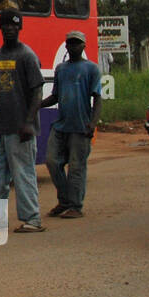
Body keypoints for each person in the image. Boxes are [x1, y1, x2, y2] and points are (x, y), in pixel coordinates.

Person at [0, 9, 45, 232]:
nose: (9, 29)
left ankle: (33, 219)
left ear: (20, 28)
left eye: (14, 25)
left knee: (23, 173)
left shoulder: (27, 56)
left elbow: (38, 92)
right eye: (5, 25)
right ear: (0, 28)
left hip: (20, 128)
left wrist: (29, 122)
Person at [40, 31, 101, 218]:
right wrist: (38, 104)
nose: (72, 47)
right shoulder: (61, 69)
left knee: (76, 166)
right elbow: (55, 96)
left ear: (83, 46)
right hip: (61, 125)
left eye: (76, 43)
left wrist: (93, 123)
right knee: (51, 161)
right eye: (70, 43)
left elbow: (97, 98)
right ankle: (64, 200)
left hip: (81, 125)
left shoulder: (91, 69)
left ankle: (75, 205)